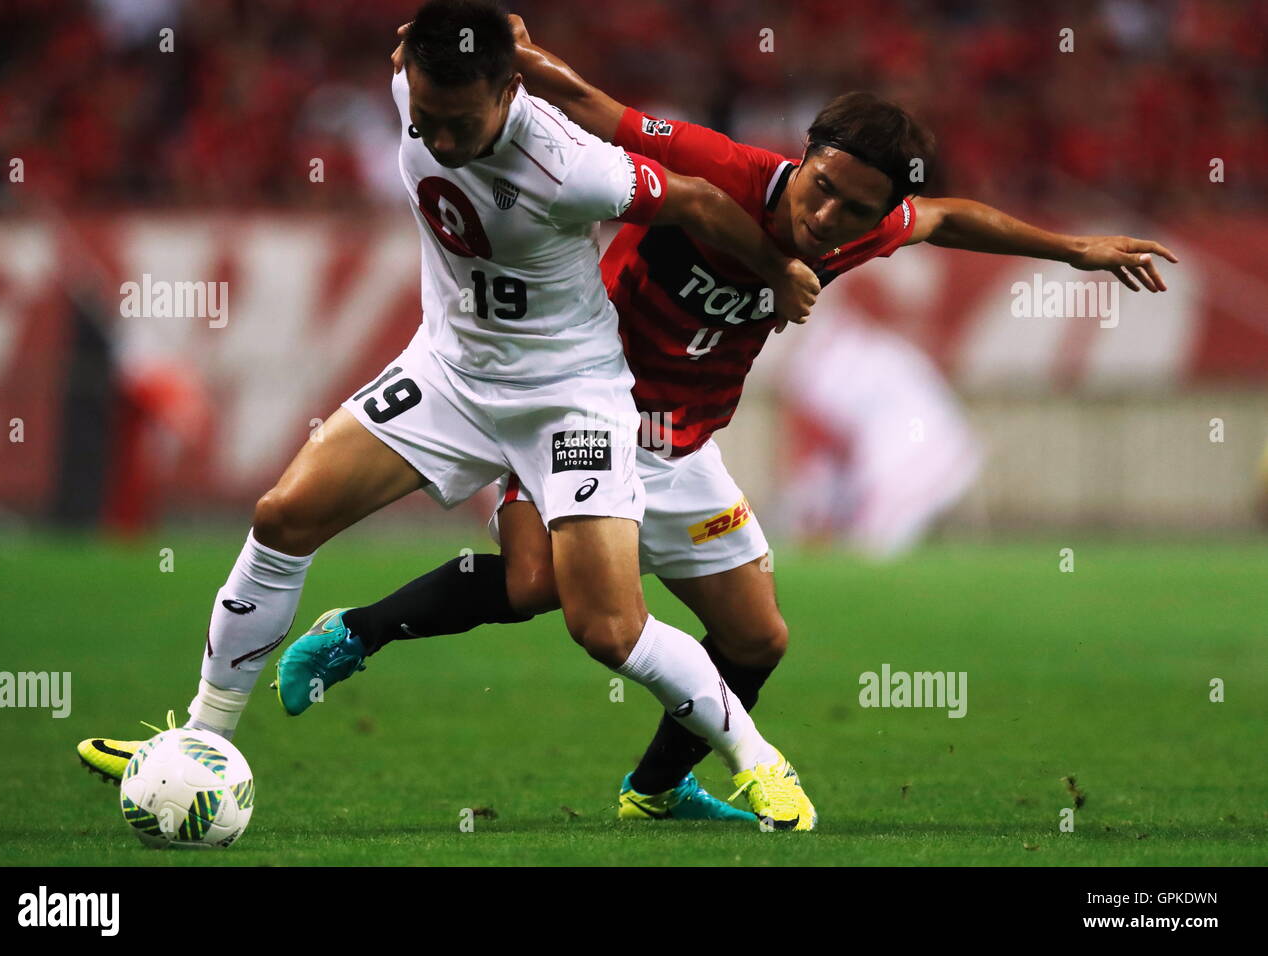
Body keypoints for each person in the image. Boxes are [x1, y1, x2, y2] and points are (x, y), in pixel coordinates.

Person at [280, 10, 1180, 823]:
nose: (828, 217)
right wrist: (508, 51)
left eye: (855, 209)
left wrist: (1076, 250)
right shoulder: (719, 166)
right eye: (821, 188)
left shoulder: (869, 224)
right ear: (806, 153)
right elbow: (594, 105)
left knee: (759, 636)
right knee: (532, 587)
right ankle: (355, 632)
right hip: (581, 412)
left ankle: (656, 790)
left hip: (683, 448)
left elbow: (945, 218)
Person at [78, 0, 823, 831]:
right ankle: (201, 742)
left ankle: (758, 761)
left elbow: (690, 199)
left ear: (509, 92)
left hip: (567, 395)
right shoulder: (412, 78)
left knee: (608, 628)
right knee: (283, 516)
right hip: (449, 372)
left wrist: (776, 267)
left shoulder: (575, 166)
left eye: (460, 124)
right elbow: (433, 37)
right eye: (425, 120)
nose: (438, 140)